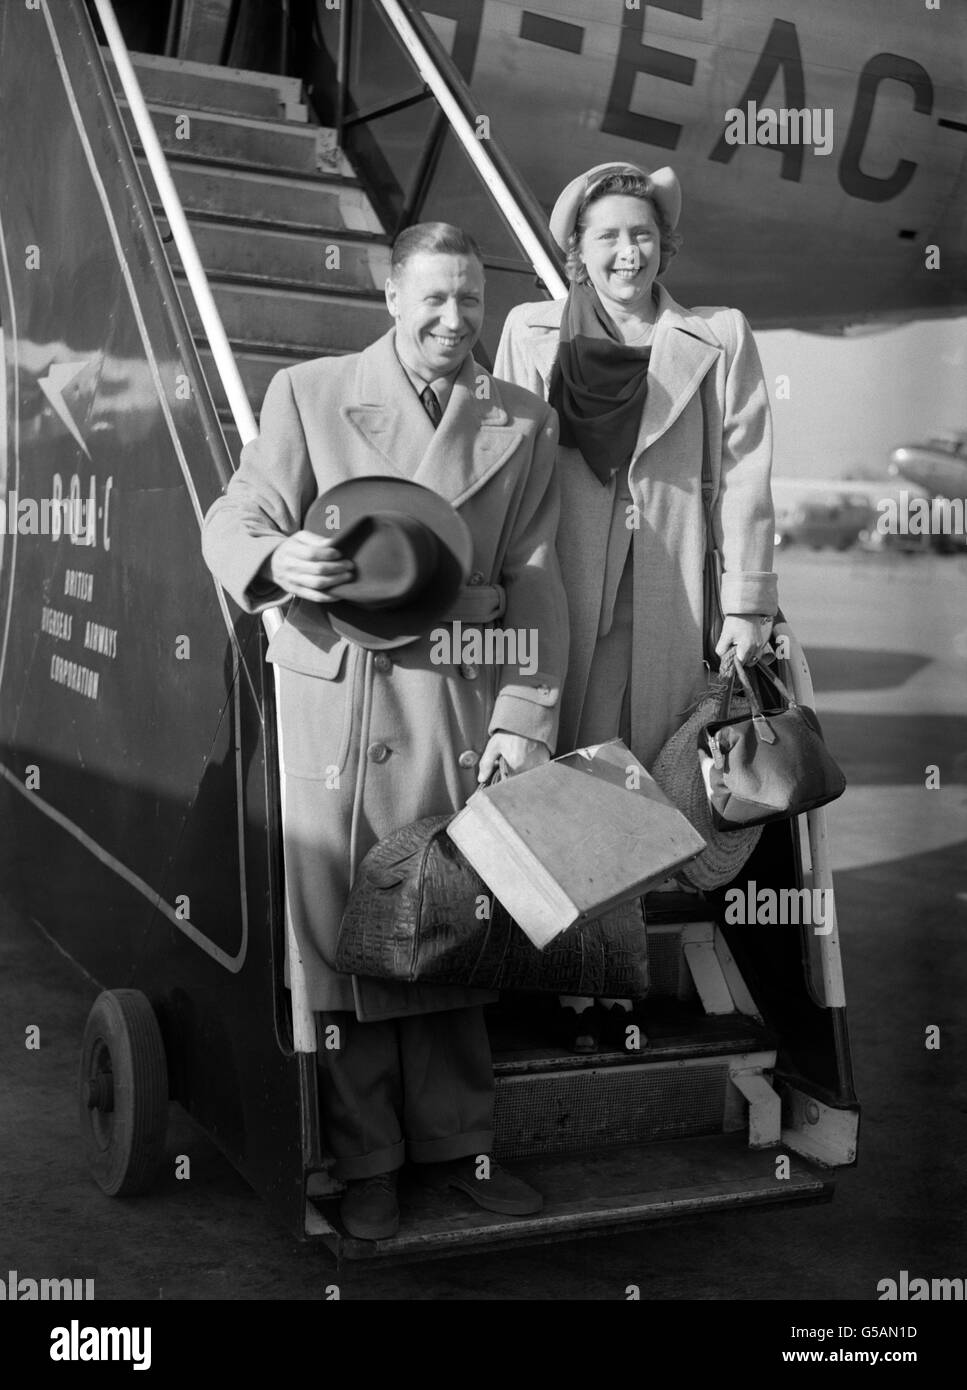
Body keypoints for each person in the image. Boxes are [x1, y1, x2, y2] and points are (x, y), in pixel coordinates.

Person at [202, 222, 568, 1240]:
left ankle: (463, 1148)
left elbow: (538, 578)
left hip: (456, 694)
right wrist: (279, 564)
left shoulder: (521, 420)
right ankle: (367, 1163)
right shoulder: (309, 393)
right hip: (340, 700)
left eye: (471, 302)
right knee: (350, 938)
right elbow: (238, 512)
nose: (455, 320)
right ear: (392, 296)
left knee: (454, 921)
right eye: (434, 299)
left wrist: (525, 717)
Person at [495, 163, 777, 1050]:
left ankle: (608, 987)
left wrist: (748, 604)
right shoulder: (529, 330)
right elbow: (499, 460)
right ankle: (546, 969)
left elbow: (744, 476)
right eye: (608, 236)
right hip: (560, 586)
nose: (628, 251)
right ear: (575, 252)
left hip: (664, 585)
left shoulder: (715, 336)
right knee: (557, 767)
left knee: (635, 775)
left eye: (642, 234)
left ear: (665, 244)